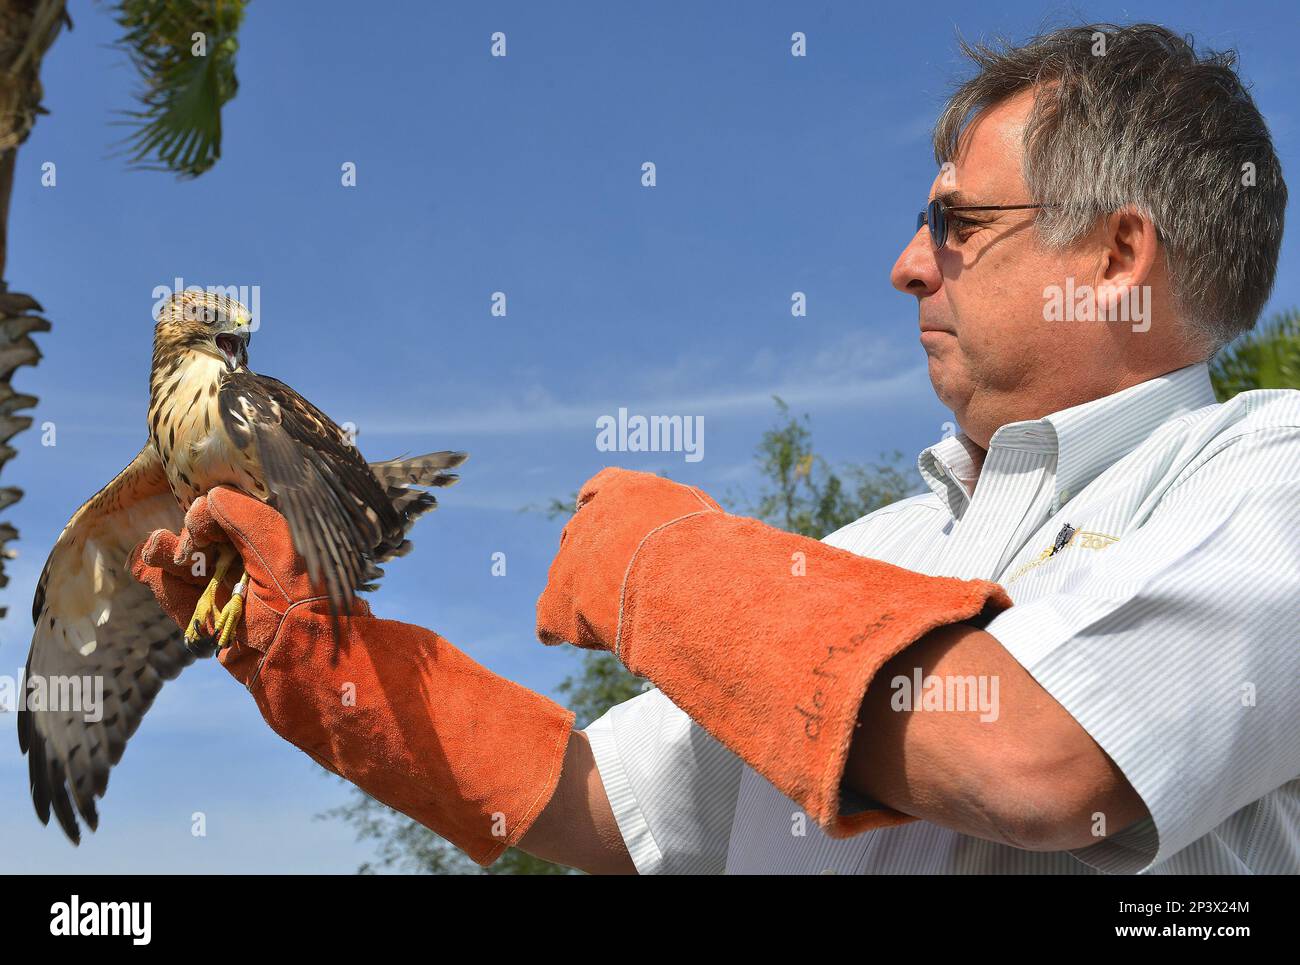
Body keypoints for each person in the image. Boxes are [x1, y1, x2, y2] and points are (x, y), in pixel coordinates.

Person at [131, 22, 1298, 875]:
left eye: (954, 222)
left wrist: (671, 567)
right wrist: (334, 664)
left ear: (1114, 255)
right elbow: (598, 803)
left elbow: (1033, 758)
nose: (906, 264)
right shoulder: (880, 548)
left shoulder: (1265, 476)